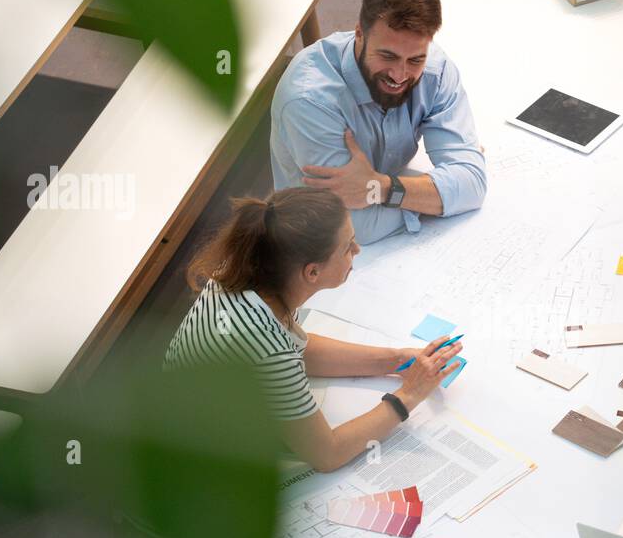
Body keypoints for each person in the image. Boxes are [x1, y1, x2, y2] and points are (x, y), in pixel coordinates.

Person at [164, 186, 462, 472]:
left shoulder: (243, 273)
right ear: (312, 271)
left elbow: (297, 349)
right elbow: (328, 454)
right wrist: (410, 395)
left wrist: (397, 360)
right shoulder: (265, 343)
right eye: (347, 247)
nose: (357, 250)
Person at [269, 0, 487, 245]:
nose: (399, 75)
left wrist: (384, 188)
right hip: (314, 247)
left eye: (415, 60)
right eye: (387, 56)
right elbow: (354, 227)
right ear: (359, 33)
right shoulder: (309, 100)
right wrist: (440, 195)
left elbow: (473, 185)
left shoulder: (436, 71)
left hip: (391, 238)